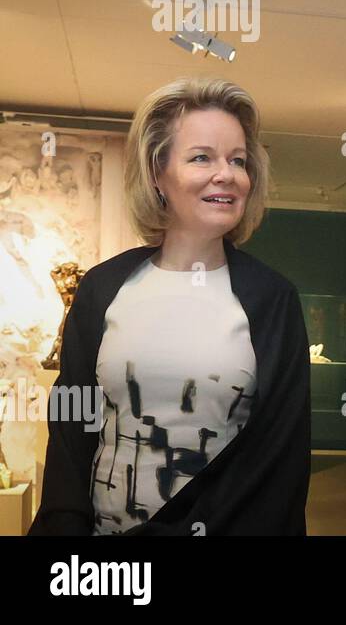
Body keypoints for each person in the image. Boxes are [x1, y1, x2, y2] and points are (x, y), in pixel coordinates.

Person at [29, 76, 310, 535]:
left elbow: (280, 459)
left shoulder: (272, 299)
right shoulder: (102, 288)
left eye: (238, 160)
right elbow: (70, 427)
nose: (227, 174)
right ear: (158, 173)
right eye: (202, 157)